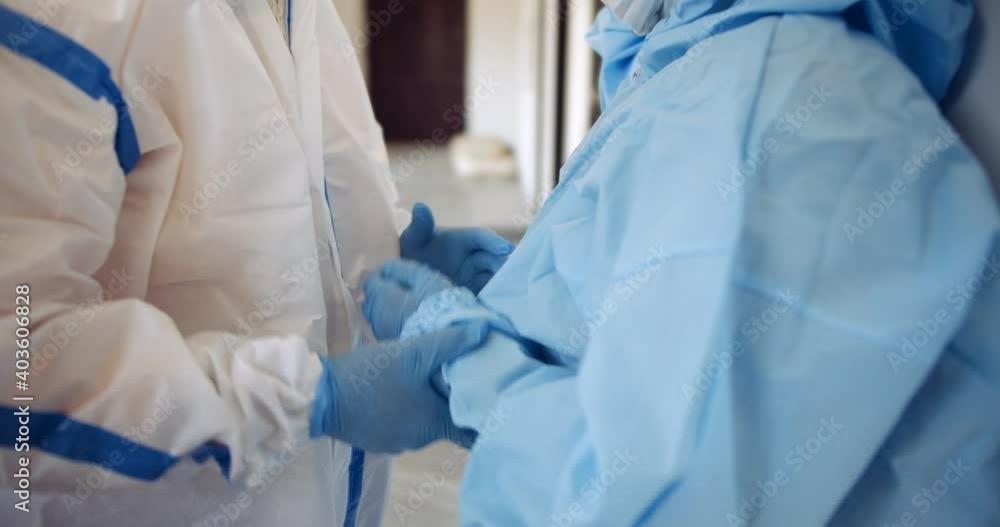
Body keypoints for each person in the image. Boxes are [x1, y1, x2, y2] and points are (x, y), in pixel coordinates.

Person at [363, 0, 1000, 525]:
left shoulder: (778, 87)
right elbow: (667, 344)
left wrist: (463, 359)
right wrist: (520, 299)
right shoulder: (711, 67)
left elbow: (642, 501)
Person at [0, 0, 510, 526]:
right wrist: (303, 401)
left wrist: (386, 255)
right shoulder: (63, 15)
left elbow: (291, 200)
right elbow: (18, 363)